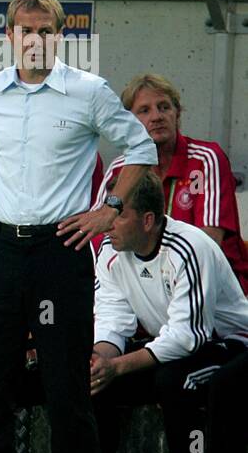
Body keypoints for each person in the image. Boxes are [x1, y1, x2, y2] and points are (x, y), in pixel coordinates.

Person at [0, 0, 157, 453]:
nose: (35, 39)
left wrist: (108, 210)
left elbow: (140, 149)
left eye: (45, 30)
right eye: (25, 30)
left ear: (59, 36)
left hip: (61, 250)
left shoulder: (87, 91)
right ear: (9, 36)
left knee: (67, 383)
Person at [32, 172, 248, 453]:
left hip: (229, 345)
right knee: (97, 385)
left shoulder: (188, 247)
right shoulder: (109, 251)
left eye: (118, 216)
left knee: (176, 381)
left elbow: (187, 337)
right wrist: (101, 361)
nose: (108, 225)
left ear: (148, 220)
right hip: (171, 349)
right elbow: (114, 320)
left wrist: (118, 366)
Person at [94, 73, 248, 294]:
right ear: (129, 122)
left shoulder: (206, 159)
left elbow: (207, 243)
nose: (157, 116)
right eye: (144, 110)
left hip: (211, 285)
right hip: (146, 286)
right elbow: (100, 236)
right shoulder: (120, 168)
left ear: (177, 114)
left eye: (164, 107)